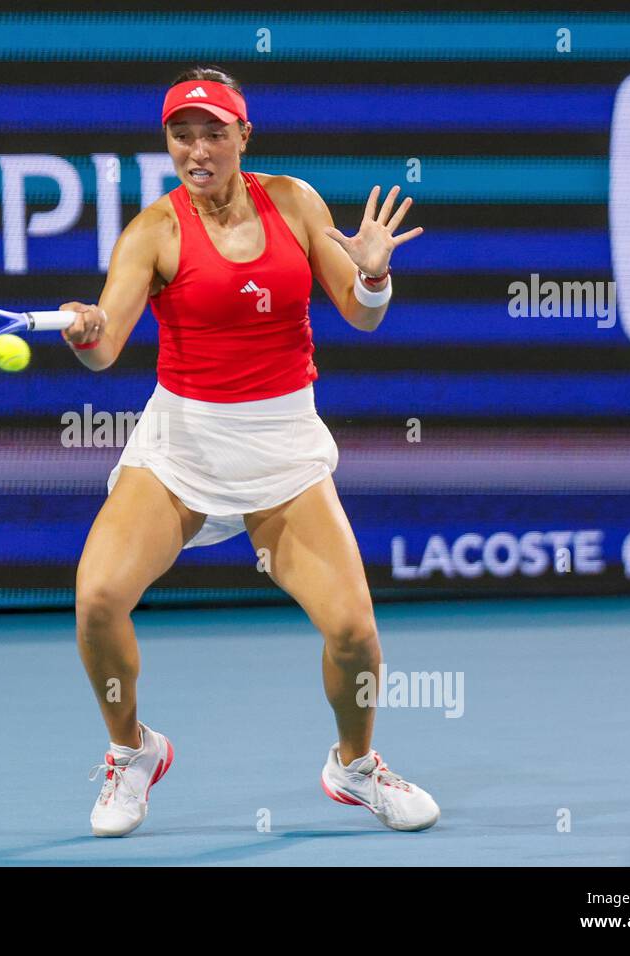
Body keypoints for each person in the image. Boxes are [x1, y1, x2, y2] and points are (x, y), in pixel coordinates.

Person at [58, 67, 439, 837]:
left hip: (284, 446)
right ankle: (132, 751)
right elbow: (107, 345)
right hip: (182, 446)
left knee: (354, 633)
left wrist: (373, 272)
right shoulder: (152, 233)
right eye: (181, 134)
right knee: (98, 599)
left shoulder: (295, 202)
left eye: (213, 132)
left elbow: (362, 316)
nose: (197, 149)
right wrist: (88, 333)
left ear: (243, 137)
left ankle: (354, 766)